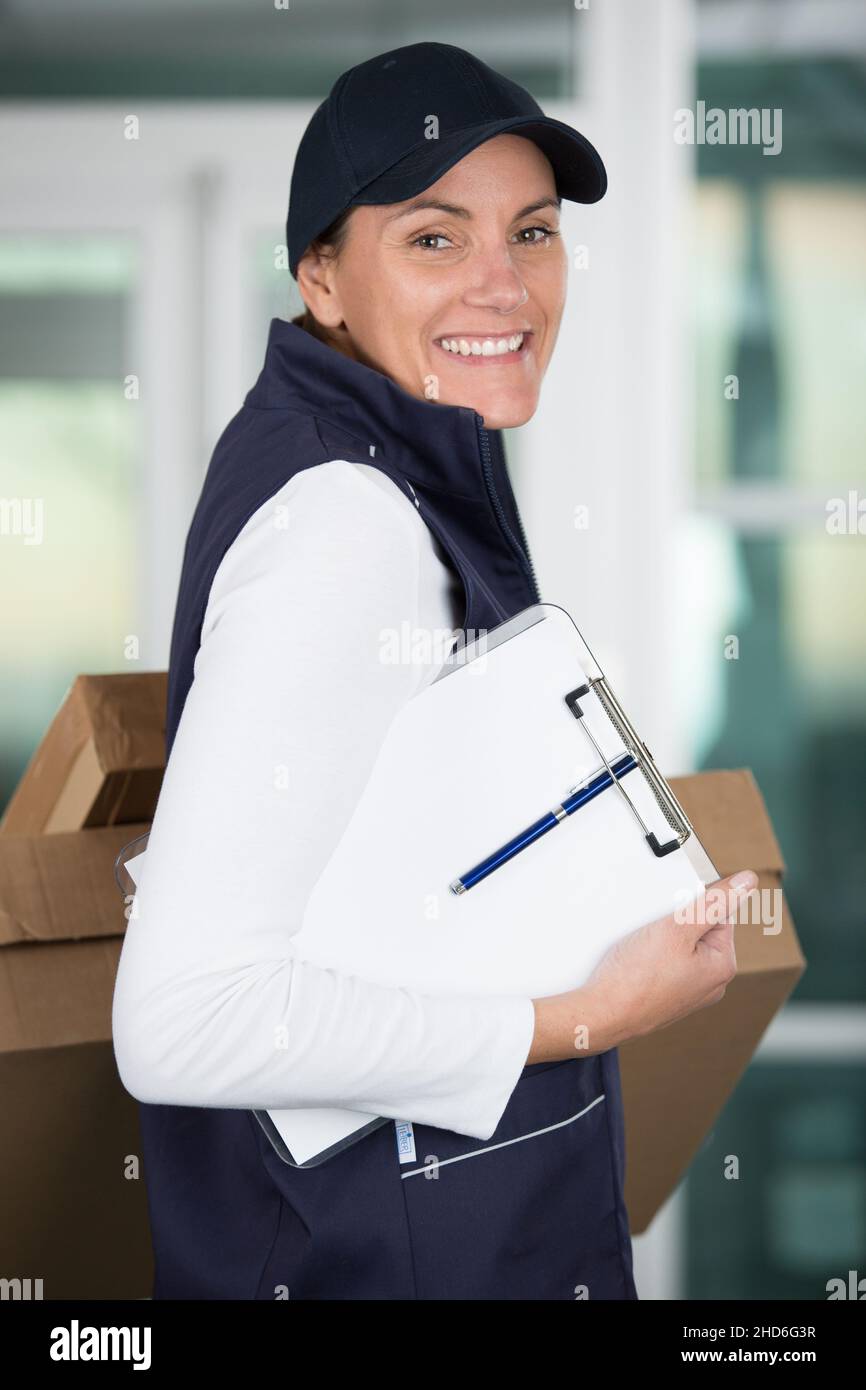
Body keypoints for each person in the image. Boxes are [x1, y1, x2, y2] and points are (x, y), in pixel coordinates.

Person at [112, 41, 757, 1301]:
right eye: (432, 239)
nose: (503, 286)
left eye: (530, 231)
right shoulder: (347, 523)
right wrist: (588, 1015)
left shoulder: (368, 457)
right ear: (321, 275)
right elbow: (180, 1017)